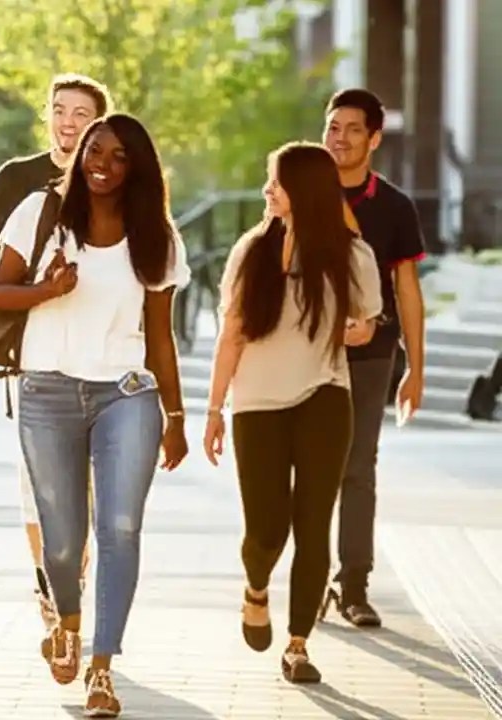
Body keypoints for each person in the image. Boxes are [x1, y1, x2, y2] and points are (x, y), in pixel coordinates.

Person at [0, 113, 189, 716]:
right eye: (94, 150)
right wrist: (47, 290)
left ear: (138, 167)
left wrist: (175, 415)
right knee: (63, 536)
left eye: (118, 155)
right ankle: (67, 622)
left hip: (126, 393)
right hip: (47, 391)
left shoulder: (157, 237)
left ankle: (102, 668)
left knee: (121, 527)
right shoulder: (41, 214)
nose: (102, 161)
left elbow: (161, 336)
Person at [203, 142, 382, 683]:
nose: (267, 190)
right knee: (266, 530)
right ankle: (256, 586)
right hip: (256, 404)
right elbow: (230, 337)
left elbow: (367, 324)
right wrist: (213, 408)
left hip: (324, 397)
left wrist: (353, 330)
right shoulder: (250, 252)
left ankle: (299, 643)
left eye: (276, 181)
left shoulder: (352, 255)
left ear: (303, 190)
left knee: (312, 526)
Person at [0, 73, 112, 636]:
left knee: (84, 486)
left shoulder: (117, 179)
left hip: (103, 355)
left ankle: (71, 582)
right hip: (31, 353)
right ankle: (48, 583)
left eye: (81, 113)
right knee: (36, 479)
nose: (67, 122)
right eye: (59, 110)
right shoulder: (17, 179)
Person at [321, 88, 426, 627]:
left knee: (358, 468)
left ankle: (354, 585)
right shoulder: (302, 192)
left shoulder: (394, 207)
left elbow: (407, 289)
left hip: (371, 354)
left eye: (352, 129)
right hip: (306, 352)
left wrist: (415, 366)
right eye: (333, 126)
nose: (339, 137)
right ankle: (310, 582)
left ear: (374, 139)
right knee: (308, 469)